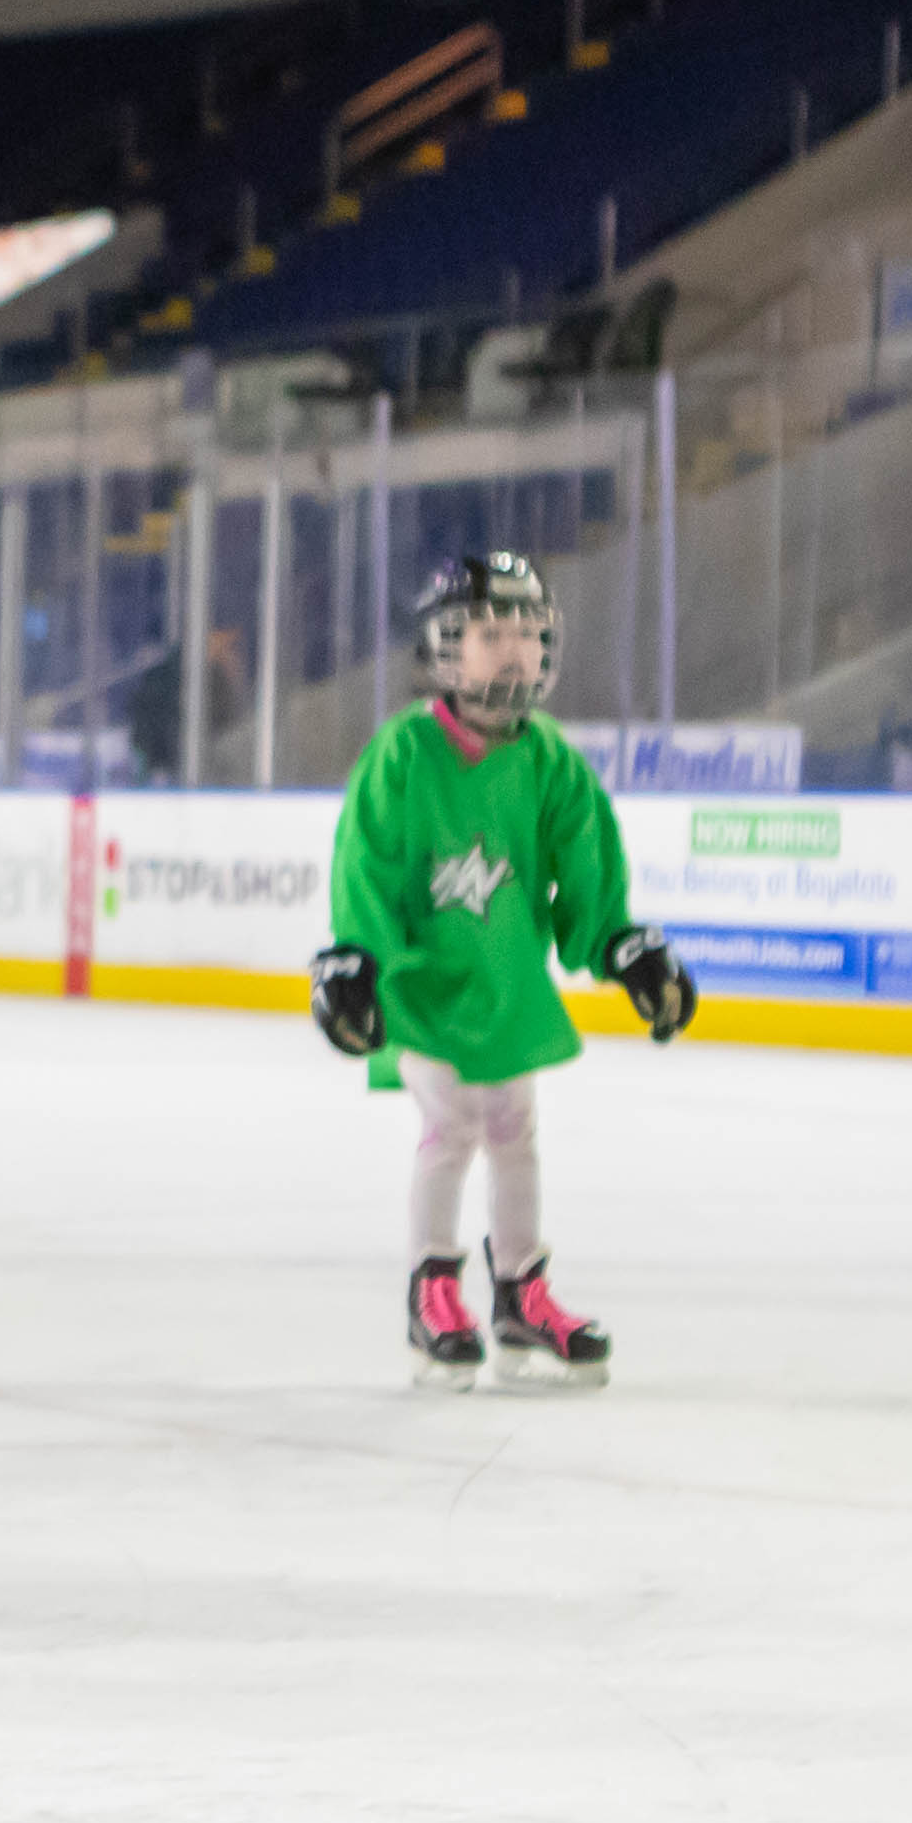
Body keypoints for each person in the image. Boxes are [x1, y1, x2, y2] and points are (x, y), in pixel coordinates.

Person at [313, 551, 690, 1387]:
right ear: (446, 647)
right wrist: (354, 956)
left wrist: (622, 945)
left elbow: (588, 870)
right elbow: (364, 864)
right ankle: (433, 1289)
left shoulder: (549, 758)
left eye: (527, 631)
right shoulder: (404, 753)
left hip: (508, 986)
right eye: (491, 632)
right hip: (422, 989)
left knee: (515, 1132)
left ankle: (521, 1290)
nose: (514, 649)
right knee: (451, 1129)